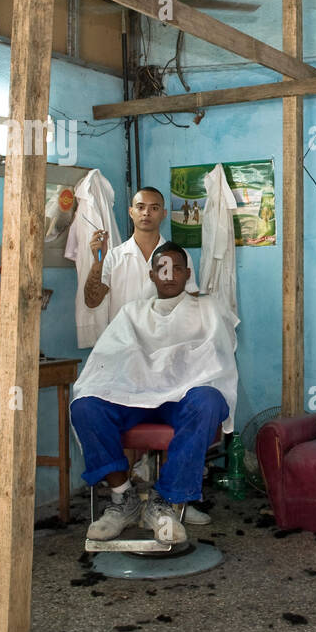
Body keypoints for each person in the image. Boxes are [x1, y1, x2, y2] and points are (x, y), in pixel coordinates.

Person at [71, 243, 238, 543]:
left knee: (209, 400)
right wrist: (143, 370)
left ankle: (164, 500)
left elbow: (218, 356)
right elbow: (111, 358)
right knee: (85, 406)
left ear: (188, 273)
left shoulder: (207, 309)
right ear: (151, 274)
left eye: (177, 268)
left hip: (183, 398)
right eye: (162, 268)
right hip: (136, 395)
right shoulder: (133, 312)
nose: (169, 274)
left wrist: (175, 365)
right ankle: (123, 498)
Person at [83, 187, 198, 323]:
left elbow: (191, 300)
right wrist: (98, 261)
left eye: (154, 208)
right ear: (131, 212)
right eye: (140, 207)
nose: (146, 213)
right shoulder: (113, 257)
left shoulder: (179, 256)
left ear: (164, 213)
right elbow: (92, 302)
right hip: (125, 338)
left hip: (165, 338)